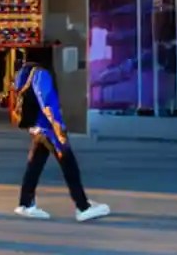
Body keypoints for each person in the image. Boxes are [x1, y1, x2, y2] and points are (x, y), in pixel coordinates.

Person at [12, 59, 110, 222]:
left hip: (37, 128)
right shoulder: (40, 74)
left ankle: (25, 203)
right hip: (48, 129)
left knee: (34, 165)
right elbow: (47, 101)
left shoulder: (22, 74)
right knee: (69, 164)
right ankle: (83, 207)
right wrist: (58, 127)